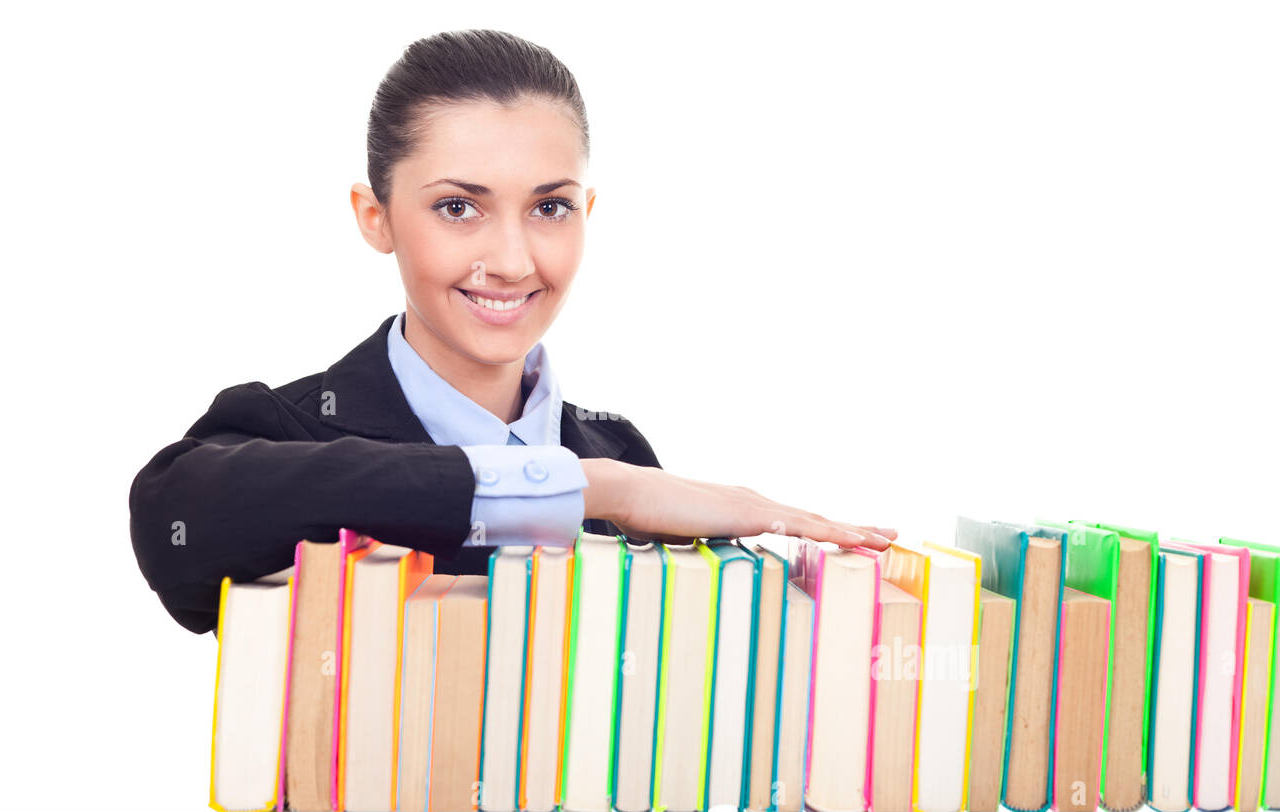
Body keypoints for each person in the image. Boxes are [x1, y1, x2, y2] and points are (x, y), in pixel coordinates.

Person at [128, 29, 895, 636]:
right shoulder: (280, 427)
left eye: (549, 207)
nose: (512, 260)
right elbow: (174, 523)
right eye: (458, 207)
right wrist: (586, 489)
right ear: (376, 217)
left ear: (586, 215)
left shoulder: (619, 447)